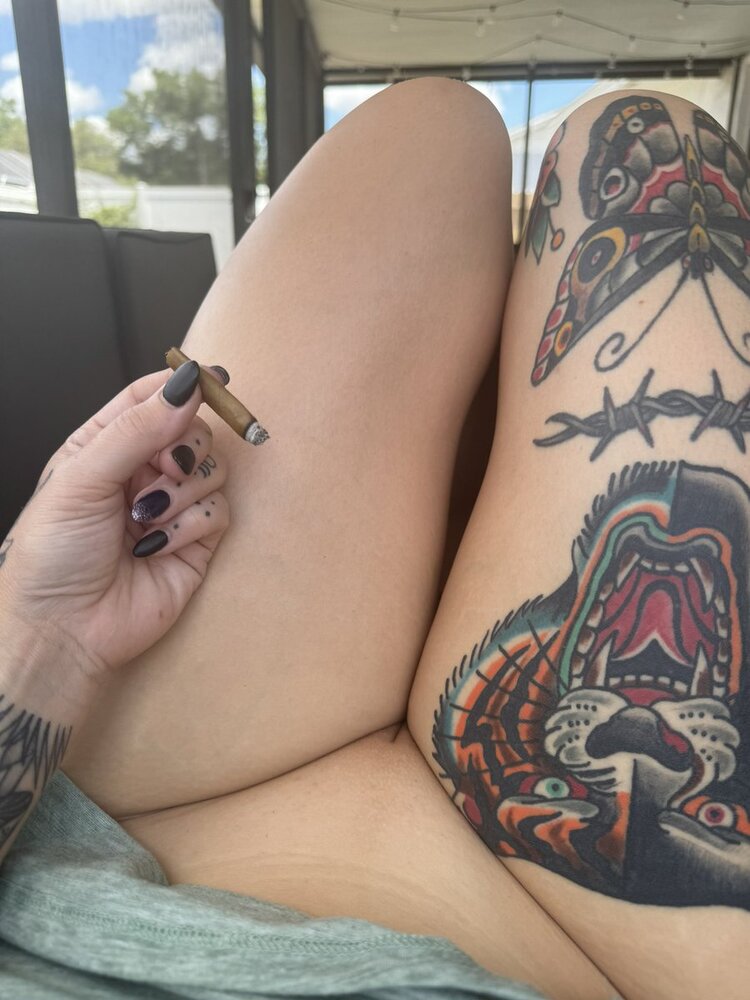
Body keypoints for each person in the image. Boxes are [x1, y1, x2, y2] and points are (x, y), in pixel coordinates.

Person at [1, 79, 749, 1000]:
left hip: (109, 841)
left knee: (433, 128)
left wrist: (44, 639)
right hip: (602, 951)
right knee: (663, 146)